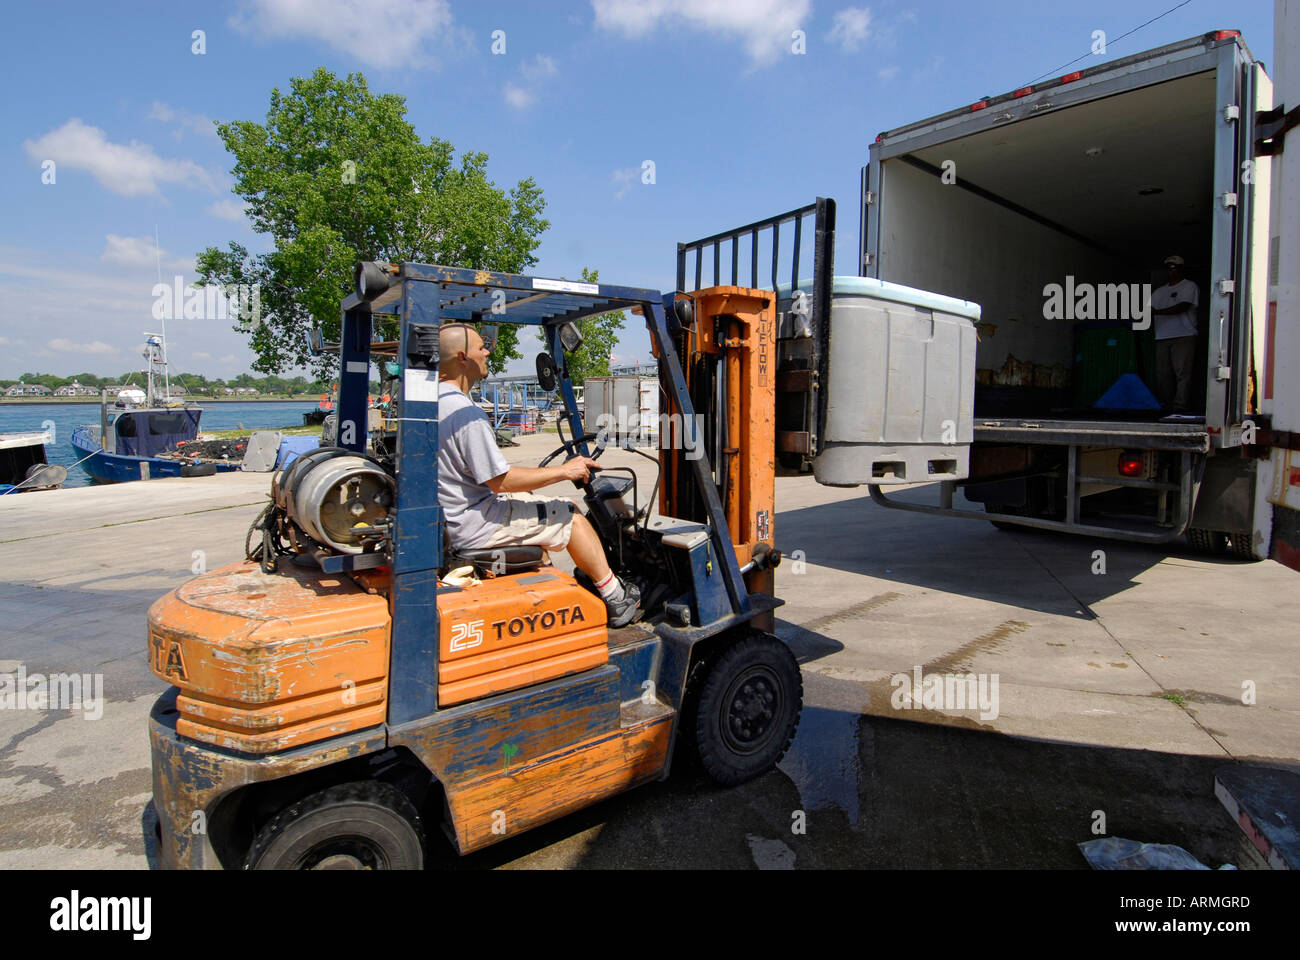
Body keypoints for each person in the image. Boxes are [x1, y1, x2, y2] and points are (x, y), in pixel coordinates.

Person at [435, 322, 641, 626]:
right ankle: (615, 597)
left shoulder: (431, 403)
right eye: (482, 347)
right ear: (463, 358)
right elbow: (500, 479)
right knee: (571, 516)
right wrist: (565, 471)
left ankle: (555, 578)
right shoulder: (466, 414)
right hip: (475, 523)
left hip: (454, 517)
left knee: (529, 497)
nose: (488, 351)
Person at [1150, 255, 1200, 411]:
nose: (1171, 271)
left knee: (1182, 373)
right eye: (1168, 268)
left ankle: (1180, 406)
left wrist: (1157, 312)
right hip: (1162, 336)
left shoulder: (1189, 286)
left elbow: (1183, 306)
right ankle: (1165, 405)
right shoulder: (1159, 292)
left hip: (1184, 335)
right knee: (1162, 374)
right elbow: (1148, 310)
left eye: (1174, 268)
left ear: (1181, 269)